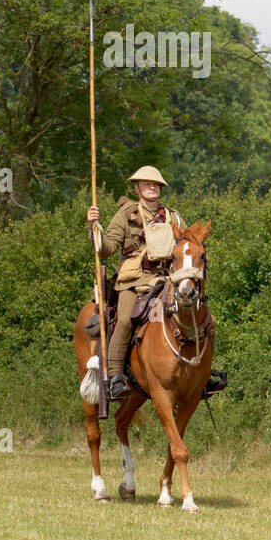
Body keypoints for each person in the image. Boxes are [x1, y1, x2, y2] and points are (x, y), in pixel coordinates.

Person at [86, 165, 180, 401]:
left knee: (200, 315)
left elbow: (185, 243)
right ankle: (114, 378)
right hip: (133, 282)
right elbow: (107, 249)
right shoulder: (126, 214)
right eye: (147, 184)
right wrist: (93, 227)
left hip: (168, 279)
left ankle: (201, 374)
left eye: (156, 184)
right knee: (127, 319)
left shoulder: (173, 216)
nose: (152, 187)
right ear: (137, 188)